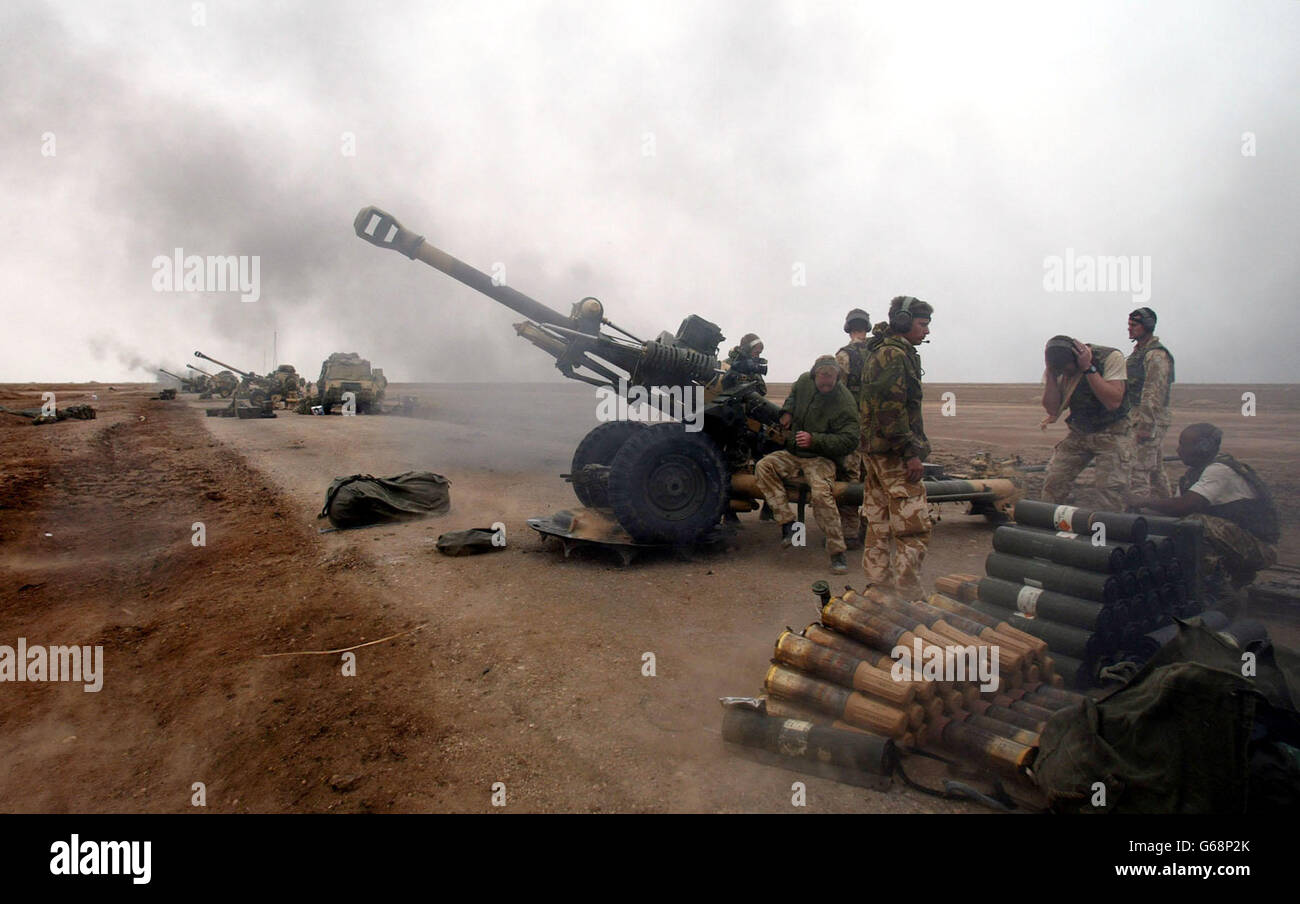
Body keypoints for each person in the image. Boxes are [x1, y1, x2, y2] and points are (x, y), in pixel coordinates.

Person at [1127, 423, 1278, 611]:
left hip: (1260, 548)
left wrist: (1144, 501)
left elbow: (1184, 507)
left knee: (1195, 524)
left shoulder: (1219, 471)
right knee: (1178, 527)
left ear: (1204, 448)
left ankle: (1221, 594)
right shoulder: (1193, 476)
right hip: (1238, 543)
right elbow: (1170, 511)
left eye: (1184, 444)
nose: (1178, 449)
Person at [754, 355, 860, 574]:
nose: (826, 387)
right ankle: (788, 524)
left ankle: (837, 553)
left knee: (822, 495)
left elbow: (850, 440)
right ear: (814, 376)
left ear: (837, 378)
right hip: (794, 453)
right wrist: (787, 413)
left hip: (820, 458)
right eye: (822, 382)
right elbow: (793, 398)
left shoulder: (845, 401)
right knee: (764, 467)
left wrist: (816, 440)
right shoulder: (804, 382)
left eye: (830, 384)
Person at [859, 296, 933, 596]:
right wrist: (910, 453)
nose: (926, 331)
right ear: (903, 322)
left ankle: (879, 588)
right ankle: (907, 594)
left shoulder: (881, 351)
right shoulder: (895, 355)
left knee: (878, 521)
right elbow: (892, 410)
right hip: (893, 454)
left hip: (876, 452)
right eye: (922, 324)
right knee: (913, 526)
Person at [1040, 335, 1133, 511]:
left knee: (1110, 492)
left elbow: (1113, 402)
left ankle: (1111, 532)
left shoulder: (1110, 357)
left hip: (1113, 431)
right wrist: (1051, 375)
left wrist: (1088, 369)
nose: (1067, 374)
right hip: (1080, 431)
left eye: (1069, 370)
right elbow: (1052, 410)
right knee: (1054, 482)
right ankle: (1047, 526)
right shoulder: (1057, 368)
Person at [1125, 307, 1176, 498]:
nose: (1129, 329)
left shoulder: (1156, 355)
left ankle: (1137, 514)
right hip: (1138, 415)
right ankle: (1167, 506)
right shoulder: (1140, 353)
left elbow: (1153, 391)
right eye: (1129, 325)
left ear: (1147, 326)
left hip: (1148, 419)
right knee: (1154, 468)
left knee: (1138, 469)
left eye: (1134, 325)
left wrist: (1146, 425)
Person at [835, 308, 872, 549]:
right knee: (873, 477)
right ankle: (871, 526)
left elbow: (837, 393)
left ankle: (849, 533)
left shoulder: (843, 356)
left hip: (852, 427)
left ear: (848, 328)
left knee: (849, 477)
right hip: (877, 426)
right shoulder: (880, 352)